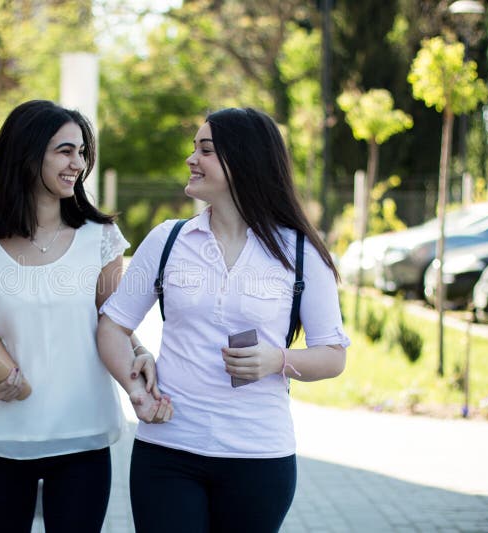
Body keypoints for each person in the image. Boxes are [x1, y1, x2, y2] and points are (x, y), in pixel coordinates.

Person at [97, 107, 350, 533]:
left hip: (259, 456)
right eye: (194, 148)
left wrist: (276, 360)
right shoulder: (167, 239)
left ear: (244, 161)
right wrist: (135, 391)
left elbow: (333, 356)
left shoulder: (300, 251)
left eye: (206, 150)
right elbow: (112, 326)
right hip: (168, 450)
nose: (191, 159)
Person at [0, 100, 170, 533]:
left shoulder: (100, 237)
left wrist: (140, 352)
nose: (79, 164)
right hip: (4, 436)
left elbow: (113, 322)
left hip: (82, 433)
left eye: (83, 152)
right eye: (65, 151)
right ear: (28, 154)